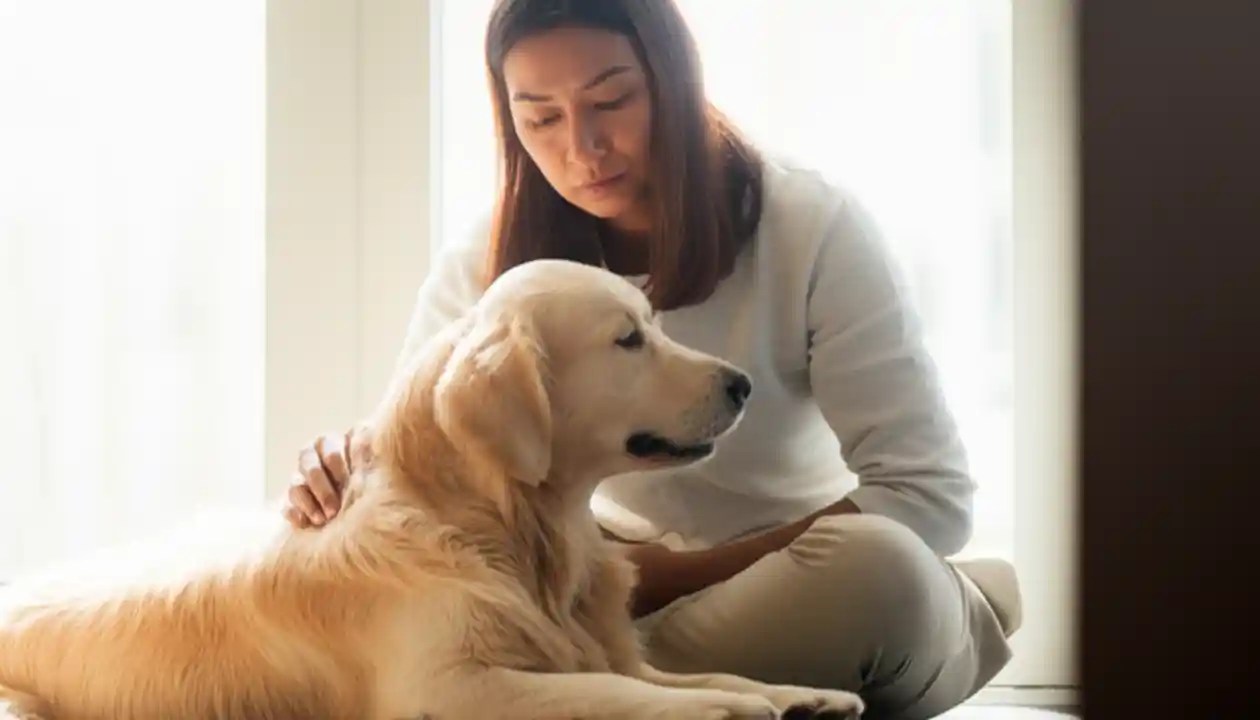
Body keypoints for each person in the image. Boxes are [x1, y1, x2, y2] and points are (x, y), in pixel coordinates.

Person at [285, 1, 1020, 717]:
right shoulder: (491, 267)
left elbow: (930, 494)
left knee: (881, 574)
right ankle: (587, 689)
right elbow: (424, 468)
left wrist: (670, 578)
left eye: (611, 101)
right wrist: (344, 465)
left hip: (788, 578)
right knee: (446, 637)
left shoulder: (809, 227)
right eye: (541, 117)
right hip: (595, 607)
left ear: (671, 82)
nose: (582, 147)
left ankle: (555, 692)